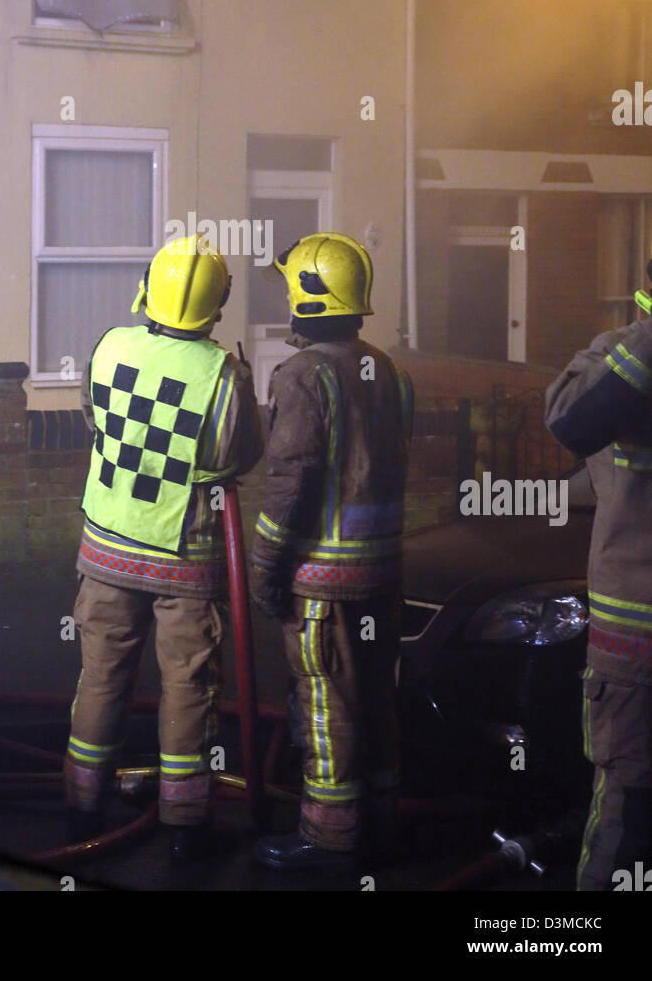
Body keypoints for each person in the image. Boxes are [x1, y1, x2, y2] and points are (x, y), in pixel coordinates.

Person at [65, 233, 263, 862]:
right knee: (187, 686)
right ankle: (185, 824)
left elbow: (95, 418)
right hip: (185, 561)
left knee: (100, 676)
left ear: (147, 290)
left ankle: (81, 806)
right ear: (217, 305)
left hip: (104, 554)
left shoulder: (109, 347)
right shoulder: (224, 376)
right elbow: (240, 456)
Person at [249, 232, 413, 873]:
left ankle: (328, 839)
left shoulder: (303, 375)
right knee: (375, 702)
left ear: (305, 295)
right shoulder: (389, 371)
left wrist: (266, 570)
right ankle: (379, 823)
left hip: (323, 583)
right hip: (384, 575)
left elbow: (290, 482)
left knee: (327, 707)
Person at [545, 268, 652, 891]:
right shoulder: (624, 355)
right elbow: (570, 421)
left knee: (625, 816)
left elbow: (568, 423)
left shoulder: (625, 353)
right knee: (632, 811)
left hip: (635, 646)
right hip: (638, 649)